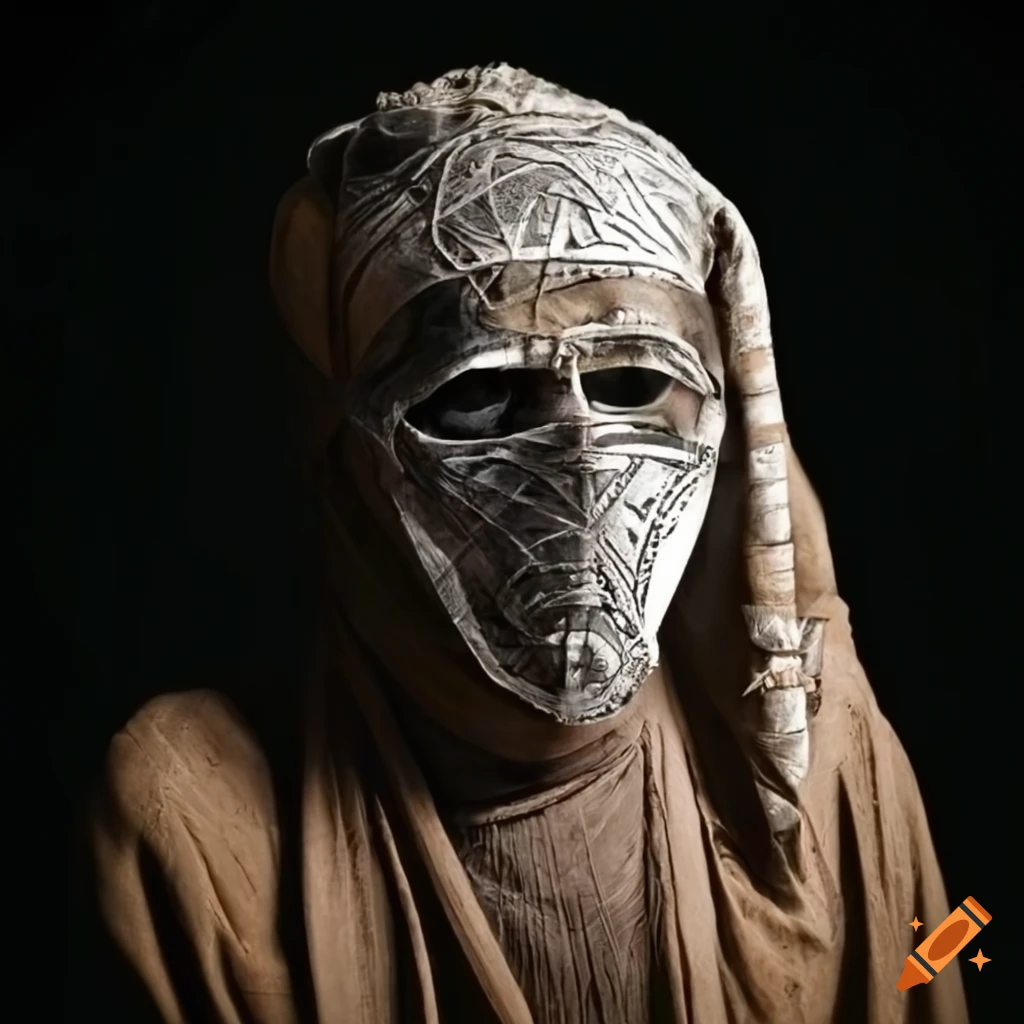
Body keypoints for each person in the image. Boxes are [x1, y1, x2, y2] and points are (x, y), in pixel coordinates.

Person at [85, 64, 968, 1023]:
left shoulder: (822, 754)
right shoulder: (198, 820)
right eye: (478, 391)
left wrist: (947, 952)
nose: (583, 461)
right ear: (350, 456)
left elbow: (942, 955)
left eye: (633, 381)